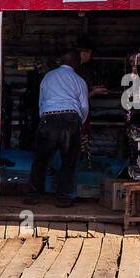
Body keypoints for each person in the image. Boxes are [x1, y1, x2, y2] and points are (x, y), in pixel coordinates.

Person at [26, 49, 90, 208]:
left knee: (40, 159)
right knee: (68, 161)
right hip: (70, 119)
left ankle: (33, 195)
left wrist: (45, 119)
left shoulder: (48, 77)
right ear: (75, 63)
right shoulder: (79, 80)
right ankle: (63, 198)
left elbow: (41, 102)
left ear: (61, 62)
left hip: (49, 118)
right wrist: (78, 123)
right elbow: (84, 106)